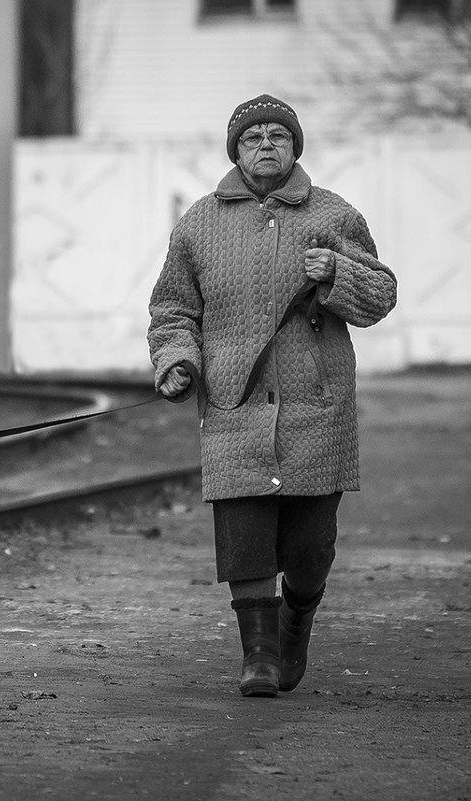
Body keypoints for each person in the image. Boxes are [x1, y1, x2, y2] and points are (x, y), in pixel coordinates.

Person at [146, 94, 397, 697]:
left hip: (318, 406)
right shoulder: (198, 225)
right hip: (234, 405)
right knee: (244, 534)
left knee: (311, 548)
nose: (265, 144)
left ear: (294, 147)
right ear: (235, 149)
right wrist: (178, 361)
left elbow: (382, 294)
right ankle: (258, 656)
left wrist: (338, 272)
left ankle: (296, 619)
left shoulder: (335, 215)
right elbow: (172, 309)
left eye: (277, 136)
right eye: (252, 136)